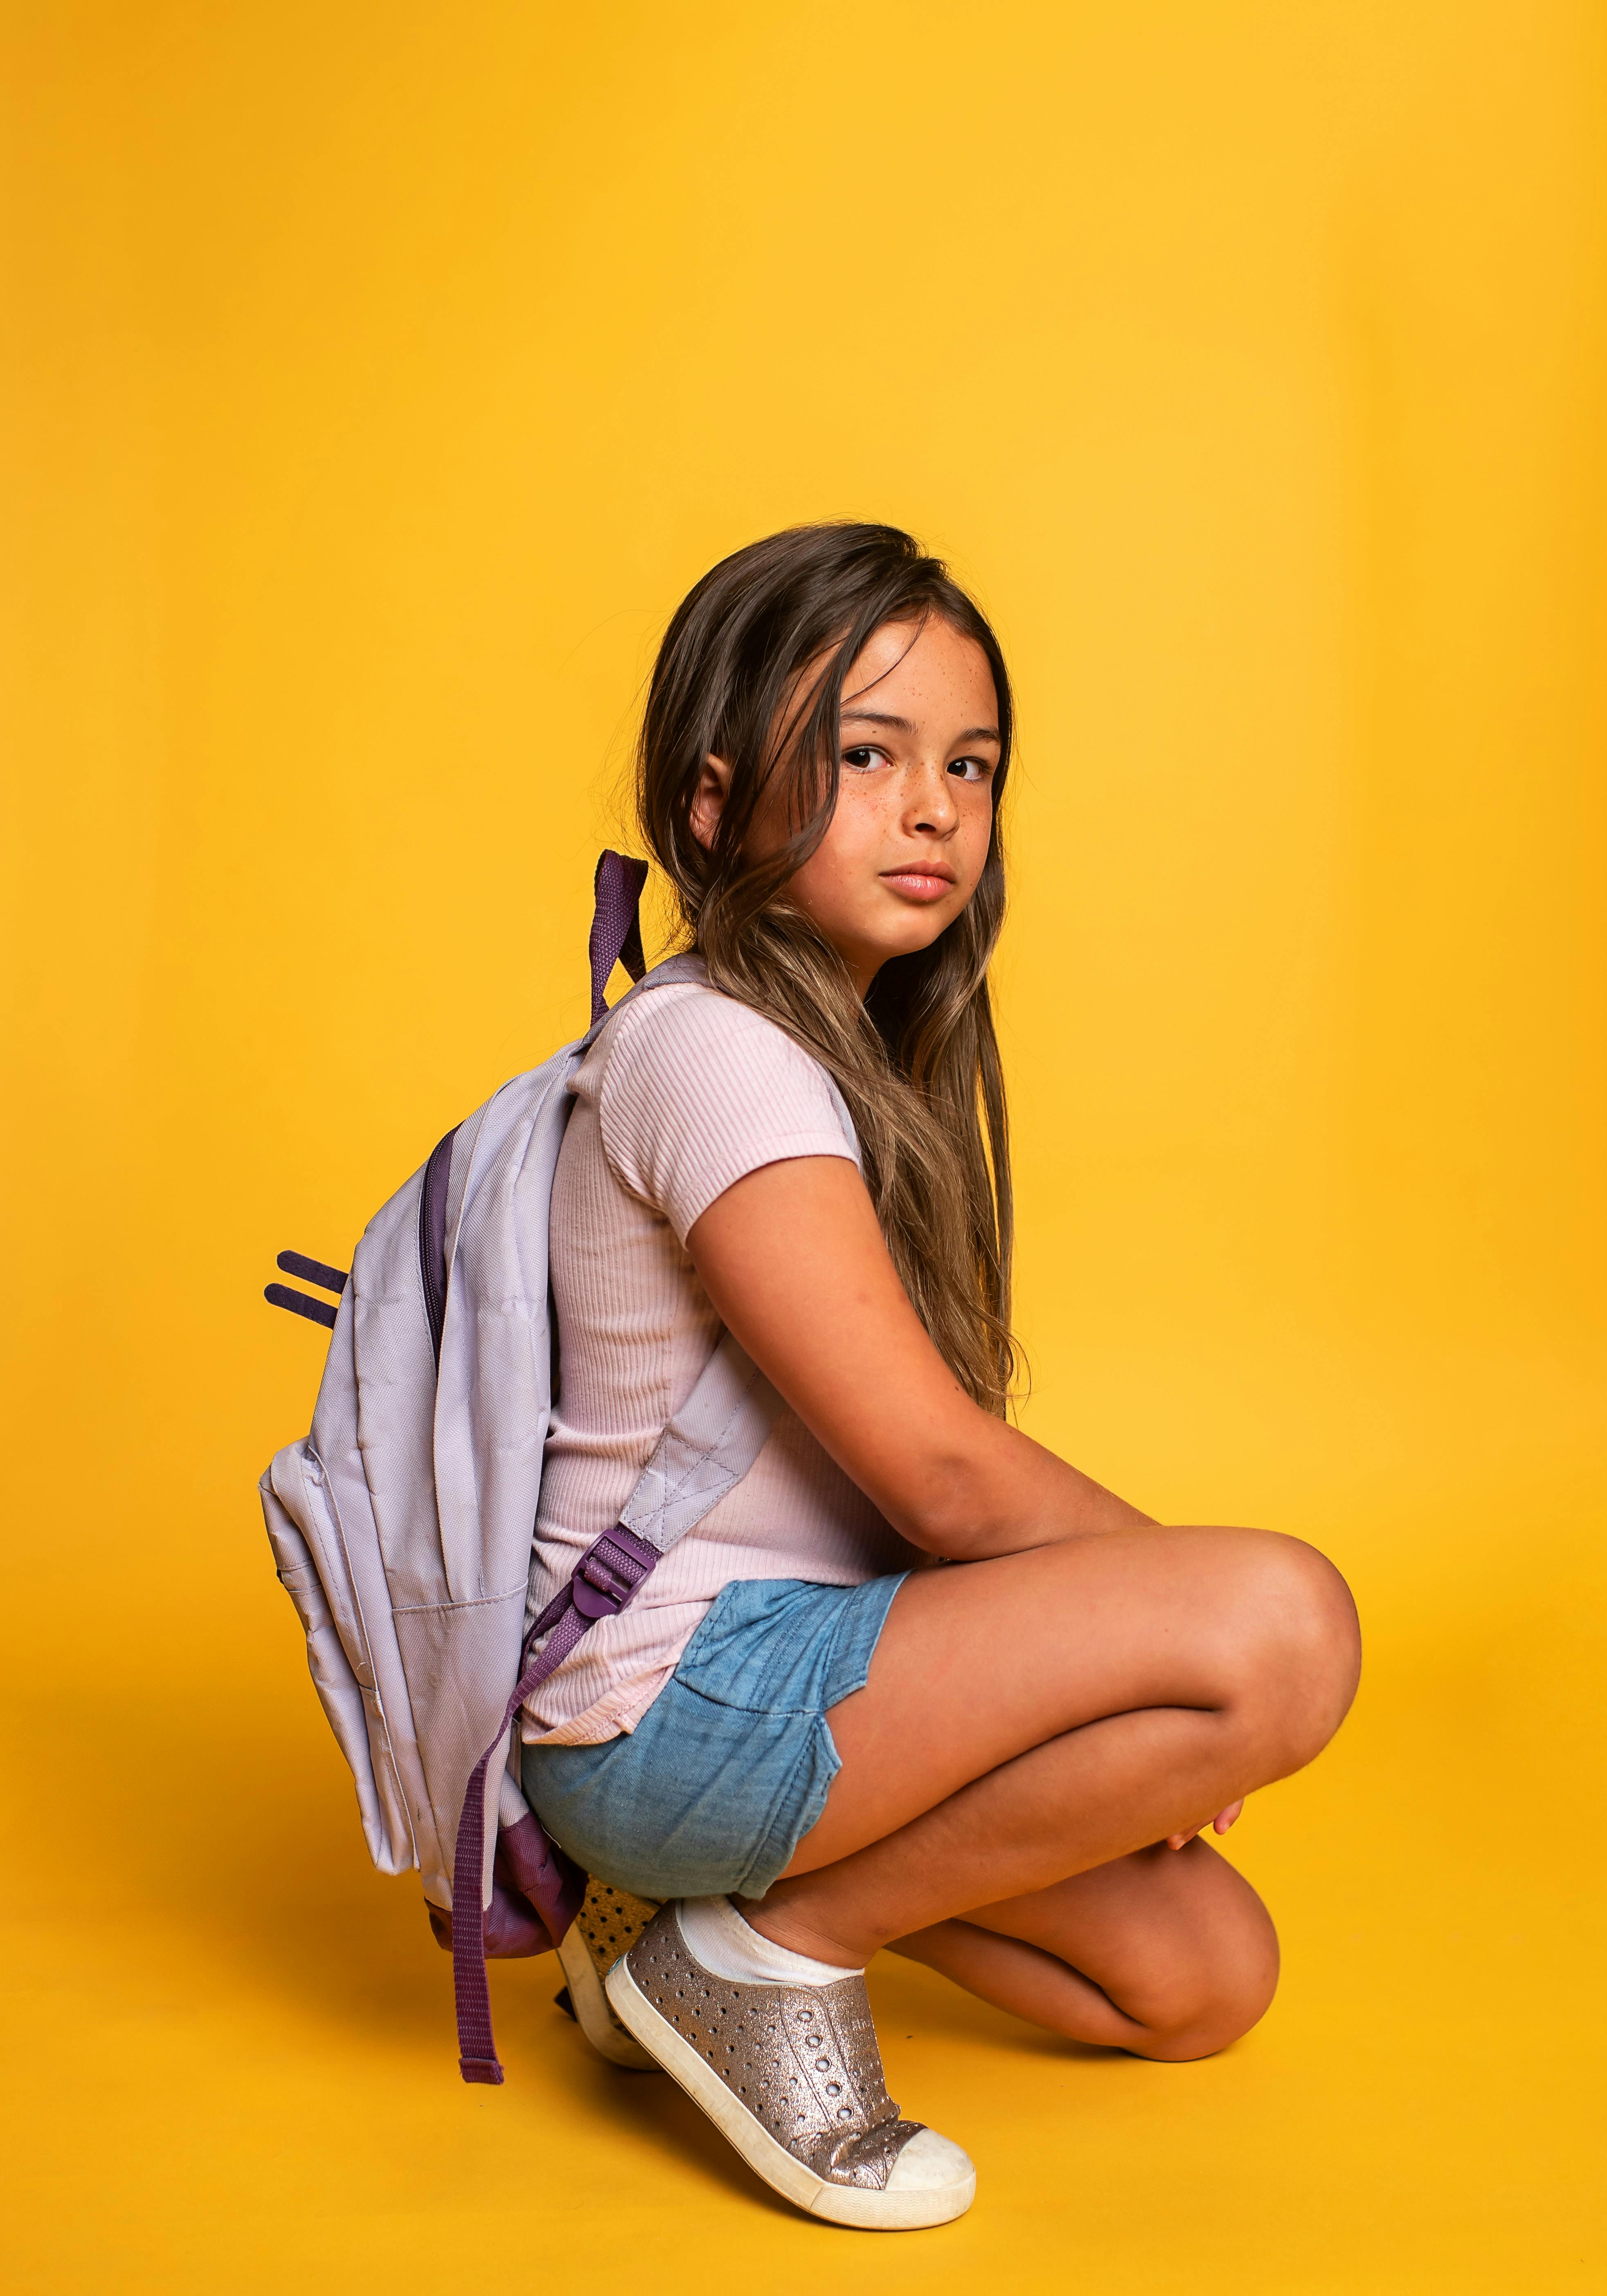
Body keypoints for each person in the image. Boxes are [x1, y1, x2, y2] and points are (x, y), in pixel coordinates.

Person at [521, 523, 1362, 2228]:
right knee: (1282, 1625)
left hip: (787, 1689)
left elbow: (897, 1491)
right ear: (709, 802)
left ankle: (665, 1945)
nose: (933, 810)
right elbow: (940, 1481)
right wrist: (1187, 1639)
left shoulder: (827, 1057)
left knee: (1200, 1978)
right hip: (665, 1704)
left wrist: (1141, 1682)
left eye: (966, 766)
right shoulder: (713, 1054)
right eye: (863, 754)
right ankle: (768, 1956)